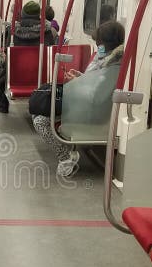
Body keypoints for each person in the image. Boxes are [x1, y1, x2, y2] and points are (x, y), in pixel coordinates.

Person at [32, 20, 125, 177]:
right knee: (39, 110)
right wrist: (80, 79)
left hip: (91, 111)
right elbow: (94, 85)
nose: (97, 47)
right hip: (85, 104)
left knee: (40, 120)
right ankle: (66, 153)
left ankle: (66, 157)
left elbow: (97, 96)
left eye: (99, 43)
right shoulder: (105, 60)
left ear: (107, 44)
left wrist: (75, 84)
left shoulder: (113, 66)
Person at [0, 1, 57, 113]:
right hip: (39, 74)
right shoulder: (47, 32)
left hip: (17, 74)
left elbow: (7, 50)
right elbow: (51, 50)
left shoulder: (13, 30)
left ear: (23, 13)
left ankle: (2, 101)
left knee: (7, 66)